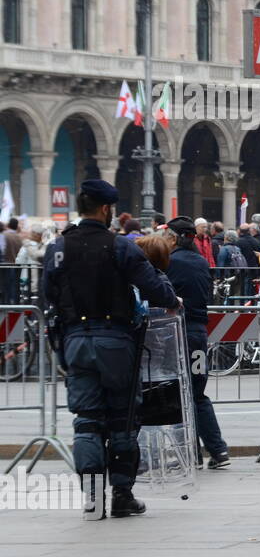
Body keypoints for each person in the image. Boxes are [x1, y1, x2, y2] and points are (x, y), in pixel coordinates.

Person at [42, 180, 181, 518]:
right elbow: (152, 285)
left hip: (75, 340)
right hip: (115, 342)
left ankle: (92, 498)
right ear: (106, 210)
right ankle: (122, 494)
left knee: (87, 420)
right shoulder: (120, 247)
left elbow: (47, 296)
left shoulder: (57, 248)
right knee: (122, 418)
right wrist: (171, 299)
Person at [165, 217, 231, 470]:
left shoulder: (170, 262)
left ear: (174, 237)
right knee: (197, 393)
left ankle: (188, 454)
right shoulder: (201, 262)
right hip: (198, 333)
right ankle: (218, 449)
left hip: (177, 332)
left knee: (177, 395)